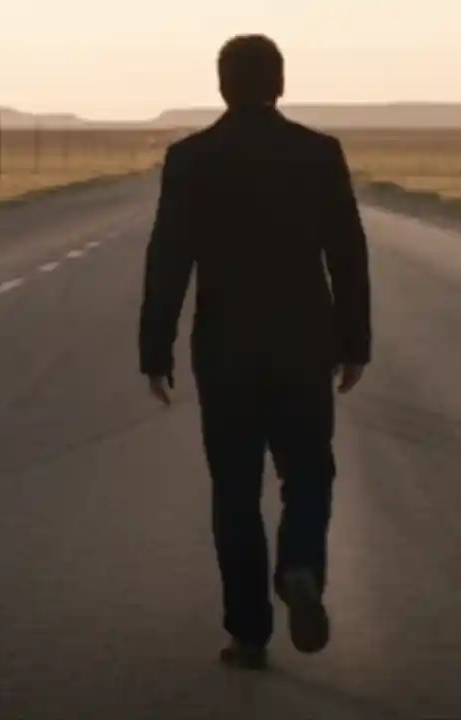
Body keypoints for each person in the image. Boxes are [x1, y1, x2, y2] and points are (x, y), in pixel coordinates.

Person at [138, 34, 372, 670]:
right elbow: (347, 252)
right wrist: (355, 343)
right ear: (280, 84)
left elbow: (168, 259)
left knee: (235, 493)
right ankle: (300, 567)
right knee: (310, 472)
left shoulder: (191, 158)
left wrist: (155, 350)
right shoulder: (318, 153)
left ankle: (248, 634)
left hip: (225, 351)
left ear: (222, 86)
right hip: (303, 346)